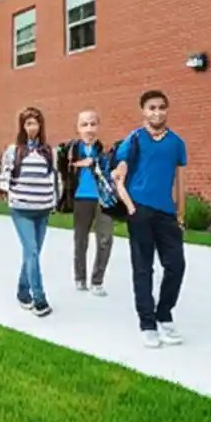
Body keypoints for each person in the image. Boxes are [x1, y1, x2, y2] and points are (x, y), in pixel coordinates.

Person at [114, 91, 188, 348]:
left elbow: (180, 179)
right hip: (140, 210)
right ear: (143, 111)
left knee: (176, 265)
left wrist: (181, 212)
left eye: (161, 108)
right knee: (143, 267)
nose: (157, 112)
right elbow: (122, 164)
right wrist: (128, 200)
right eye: (151, 108)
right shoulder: (134, 139)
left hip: (167, 213)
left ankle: (164, 314)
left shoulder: (177, 143)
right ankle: (147, 323)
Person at [0, 107, 59, 318]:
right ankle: (39, 299)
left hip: (42, 209)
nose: (32, 127)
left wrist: (54, 202)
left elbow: (53, 178)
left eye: (35, 123)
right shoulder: (14, 150)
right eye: (28, 123)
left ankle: (23, 291)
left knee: (31, 254)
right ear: (22, 127)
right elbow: (4, 176)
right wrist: (8, 193)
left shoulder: (49, 151)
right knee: (32, 251)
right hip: (21, 209)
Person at [69, 109, 114, 297]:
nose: (89, 129)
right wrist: (79, 164)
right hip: (81, 198)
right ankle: (80, 278)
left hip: (102, 200)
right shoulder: (71, 150)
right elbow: (63, 169)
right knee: (81, 240)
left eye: (92, 124)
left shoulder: (103, 152)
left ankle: (97, 280)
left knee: (105, 239)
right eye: (84, 125)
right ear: (78, 129)